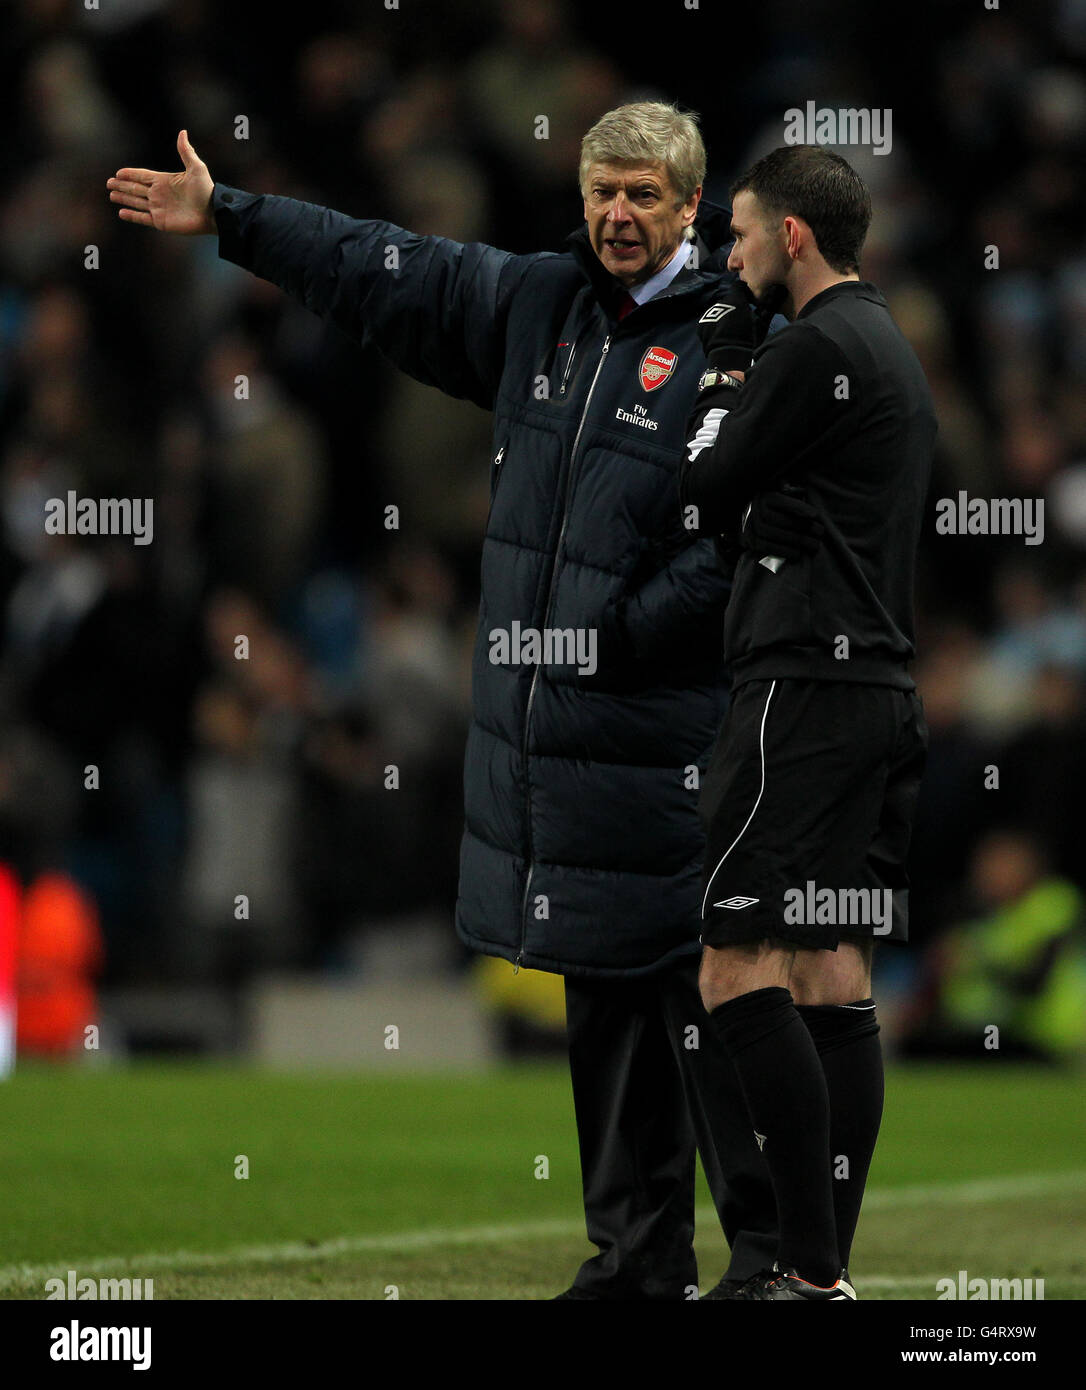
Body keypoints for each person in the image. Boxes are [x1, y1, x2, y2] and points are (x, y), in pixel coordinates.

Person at [107, 103, 815, 1299]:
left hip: (676, 744)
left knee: (712, 1003)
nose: (619, 214)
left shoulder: (737, 342)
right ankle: (637, 1258)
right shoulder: (539, 306)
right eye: (602, 192)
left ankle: (769, 1262)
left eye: (644, 194)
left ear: (690, 205)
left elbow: (743, 537)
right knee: (604, 1001)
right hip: (567, 754)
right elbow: (385, 269)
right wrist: (230, 215)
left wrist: (615, 638)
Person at [680, 144, 936, 1299]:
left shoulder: (816, 346)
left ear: (792, 234)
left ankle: (803, 1268)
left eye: (738, 233)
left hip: (800, 692)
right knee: (834, 970)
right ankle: (823, 1273)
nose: (729, 258)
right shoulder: (888, 349)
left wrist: (729, 371)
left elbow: (702, 485)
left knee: (735, 967)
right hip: (880, 694)